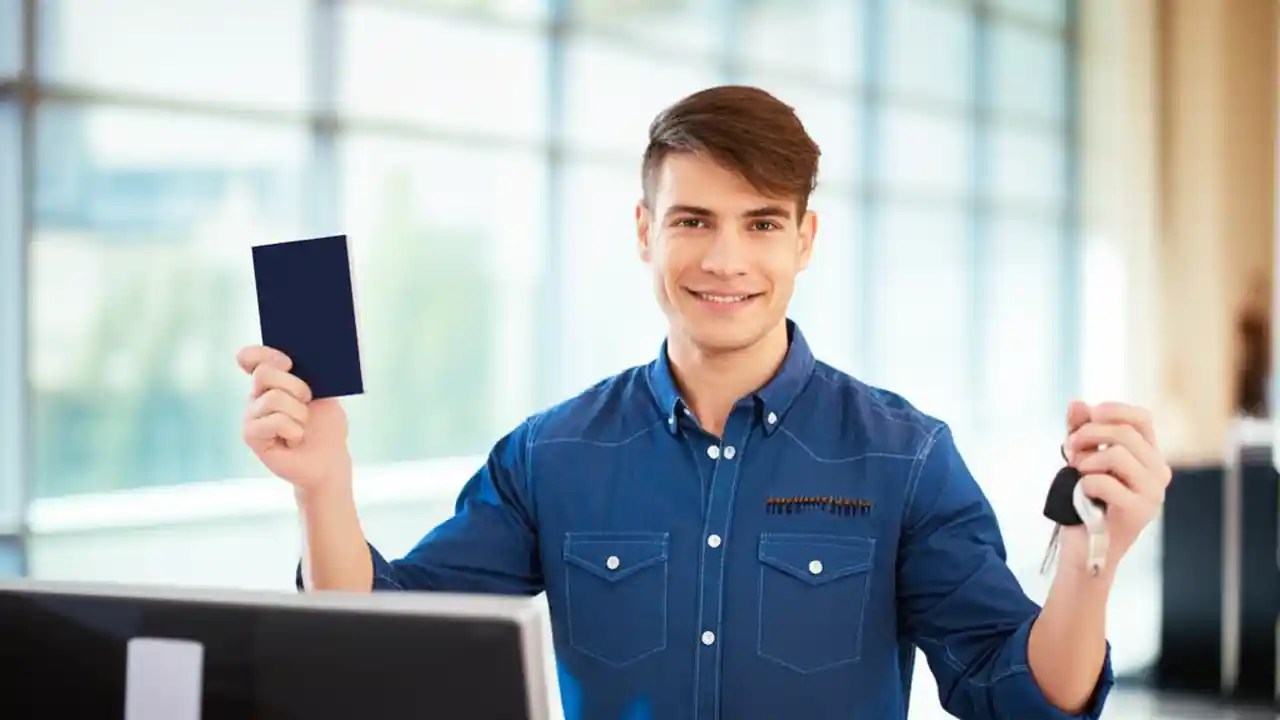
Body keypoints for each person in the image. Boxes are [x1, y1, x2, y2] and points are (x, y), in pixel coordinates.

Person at [237, 85, 1170, 719]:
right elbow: (387, 638)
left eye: (760, 223)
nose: (725, 260)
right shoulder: (550, 457)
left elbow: (1021, 696)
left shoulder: (907, 458)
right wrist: (323, 487)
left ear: (804, 239)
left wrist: (1092, 561)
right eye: (693, 221)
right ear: (646, 232)